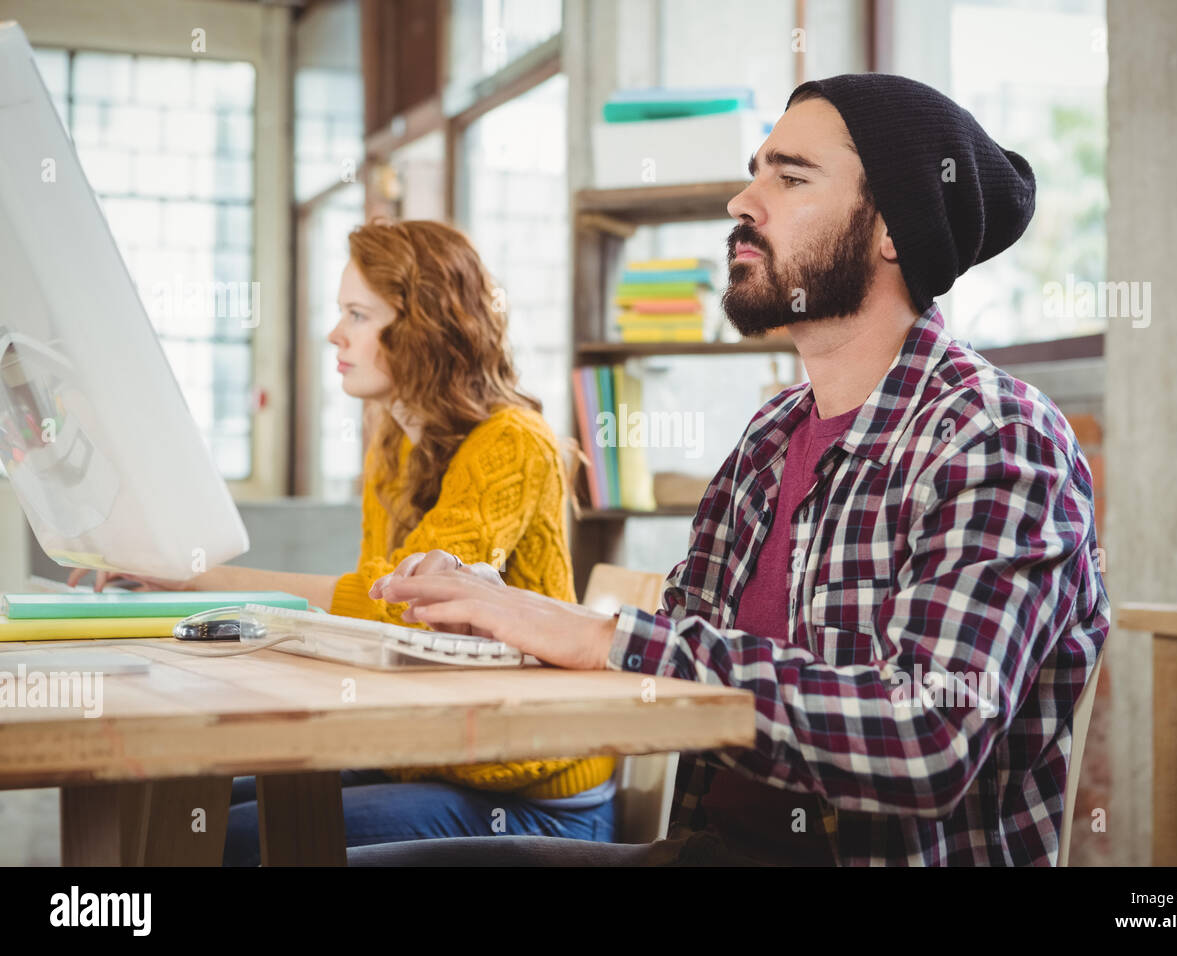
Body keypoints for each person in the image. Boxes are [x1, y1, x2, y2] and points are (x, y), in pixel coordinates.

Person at [348, 73, 1111, 867]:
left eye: (789, 176)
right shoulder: (772, 438)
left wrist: (602, 638)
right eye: (755, 171)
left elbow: (925, 739)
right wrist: (492, 618)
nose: (742, 202)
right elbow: (676, 651)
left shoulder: (996, 439)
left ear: (891, 228)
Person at [70, 220, 617, 863]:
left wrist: (196, 575)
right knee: (180, 811)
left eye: (358, 314)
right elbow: (373, 618)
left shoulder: (514, 442)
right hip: (429, 760)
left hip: (535, 796)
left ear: (426, 326)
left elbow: (398, 602)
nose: (335, 334)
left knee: (226, 840)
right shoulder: (391, 439)